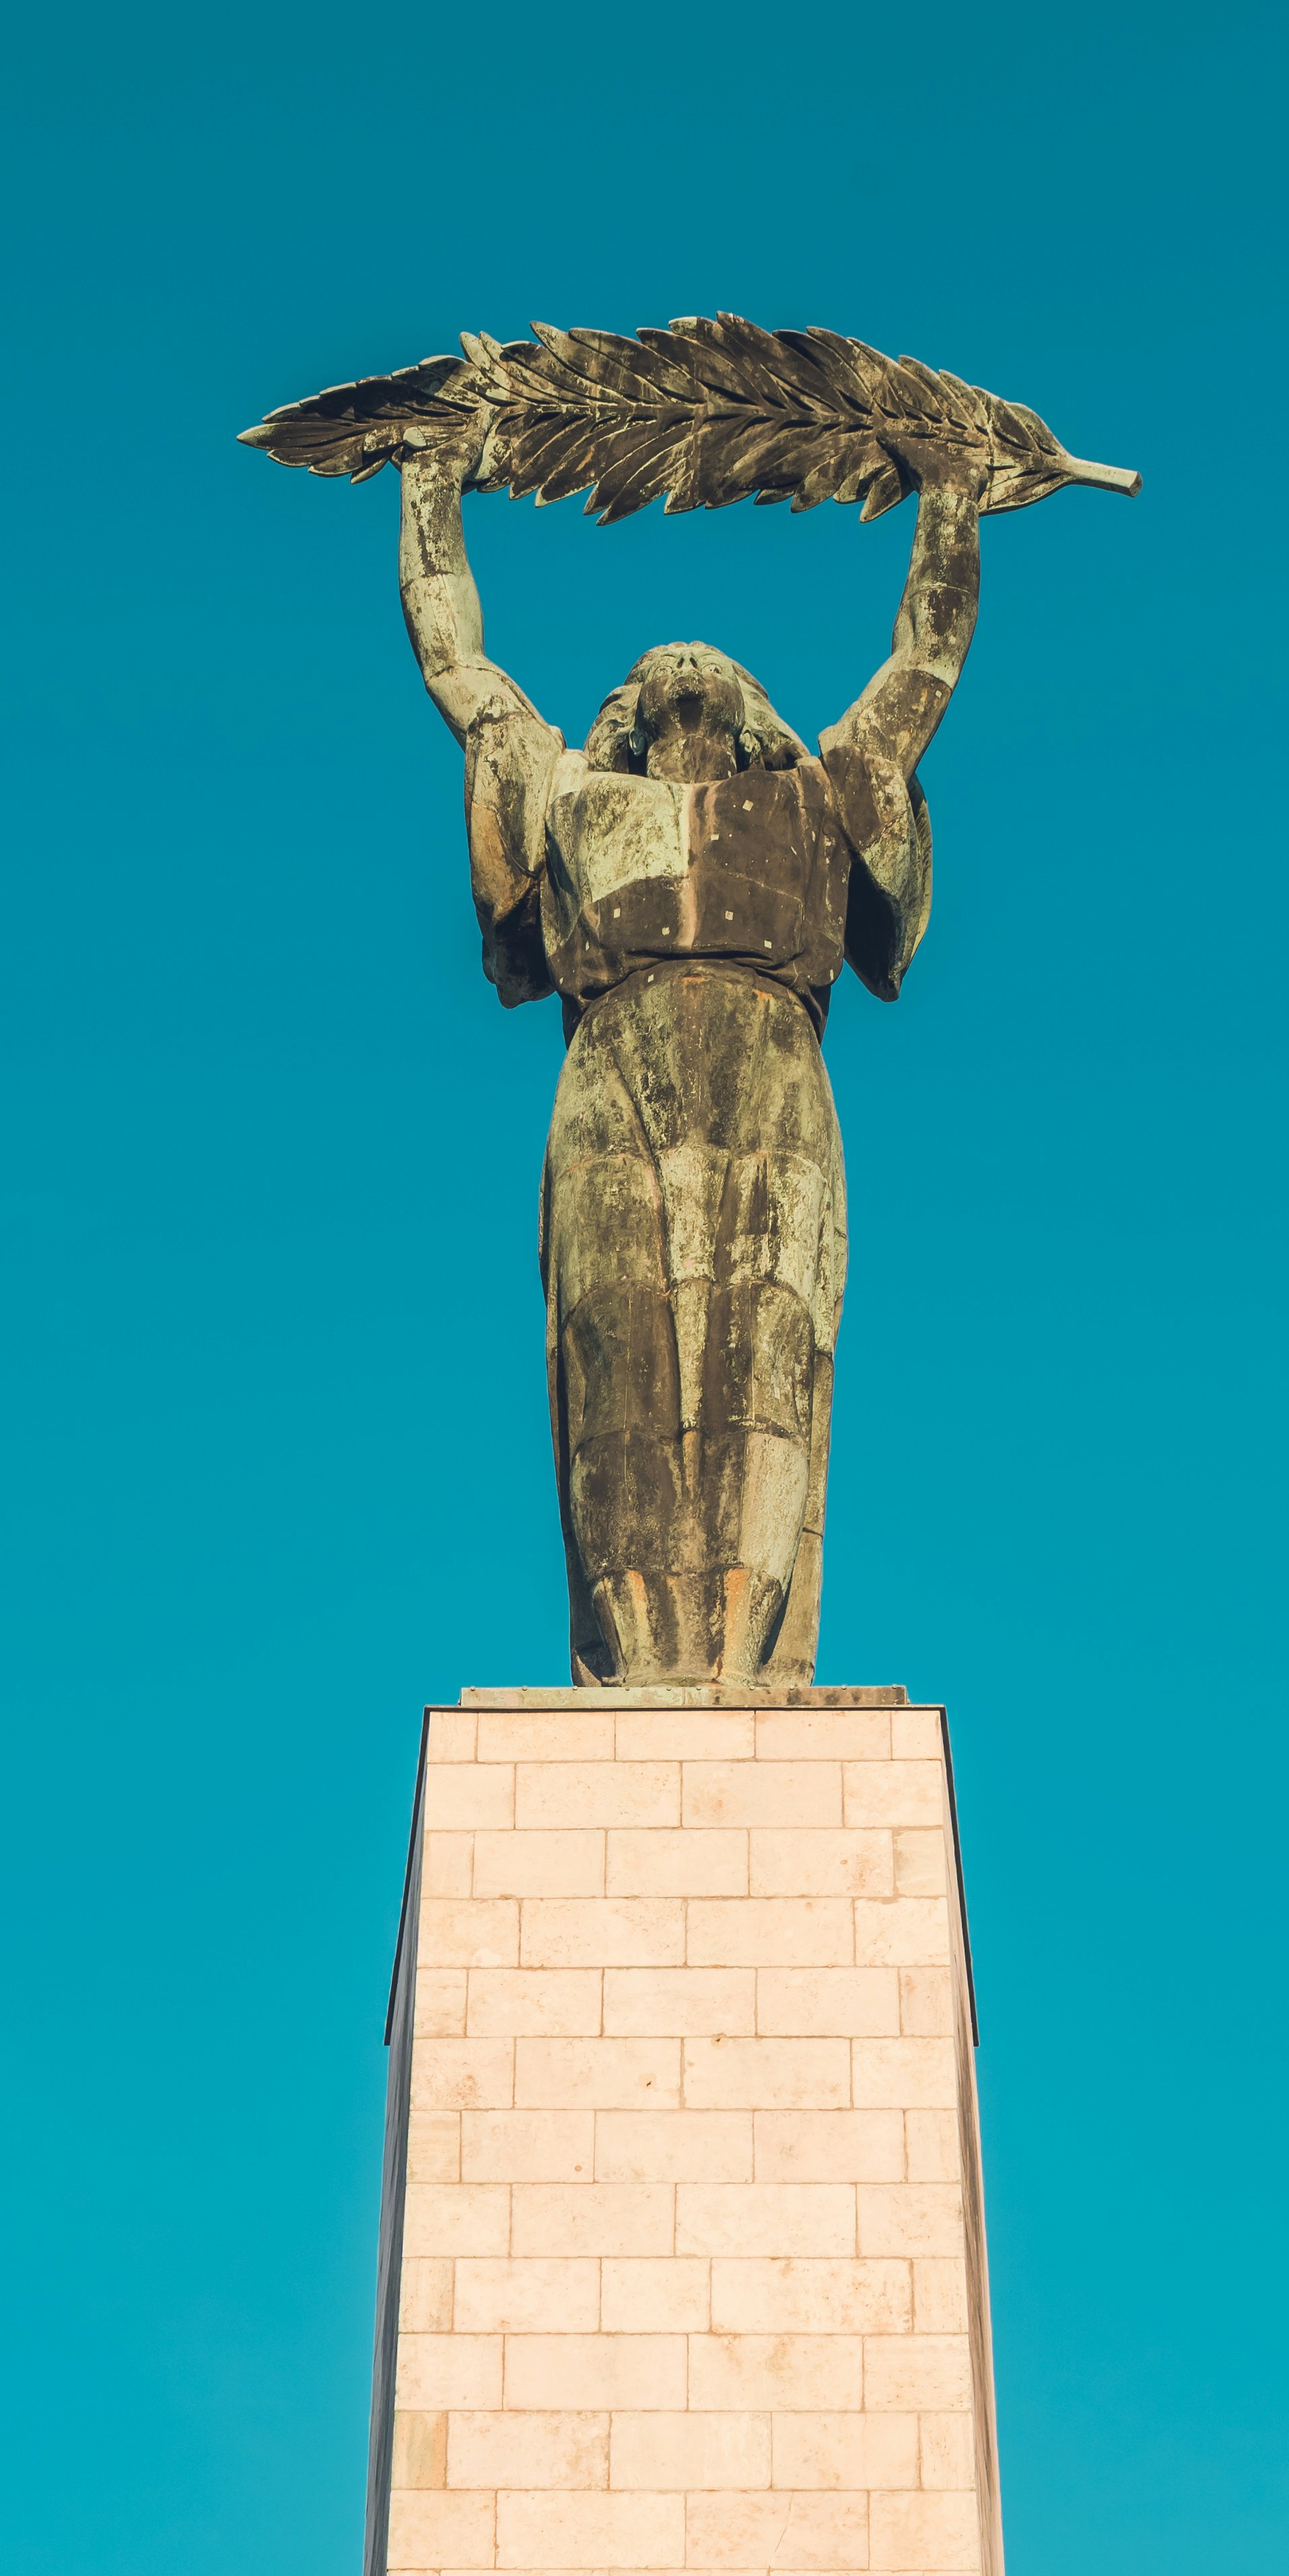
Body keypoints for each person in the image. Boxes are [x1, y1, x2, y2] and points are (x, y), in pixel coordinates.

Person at [394, 422, 983, 1686]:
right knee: (617, 1365)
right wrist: (430, 483)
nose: (685, 661)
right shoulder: (570, 798)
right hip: (615, 1079)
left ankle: (748, 1665)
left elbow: (924, 663)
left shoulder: (818, 796)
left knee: (764, 1360)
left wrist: (952, 499)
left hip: (773, 1078)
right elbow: (461, 669)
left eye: (711, 659)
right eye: (661, 662)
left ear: (751, 705)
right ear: (628, 710)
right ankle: (638, 1662)